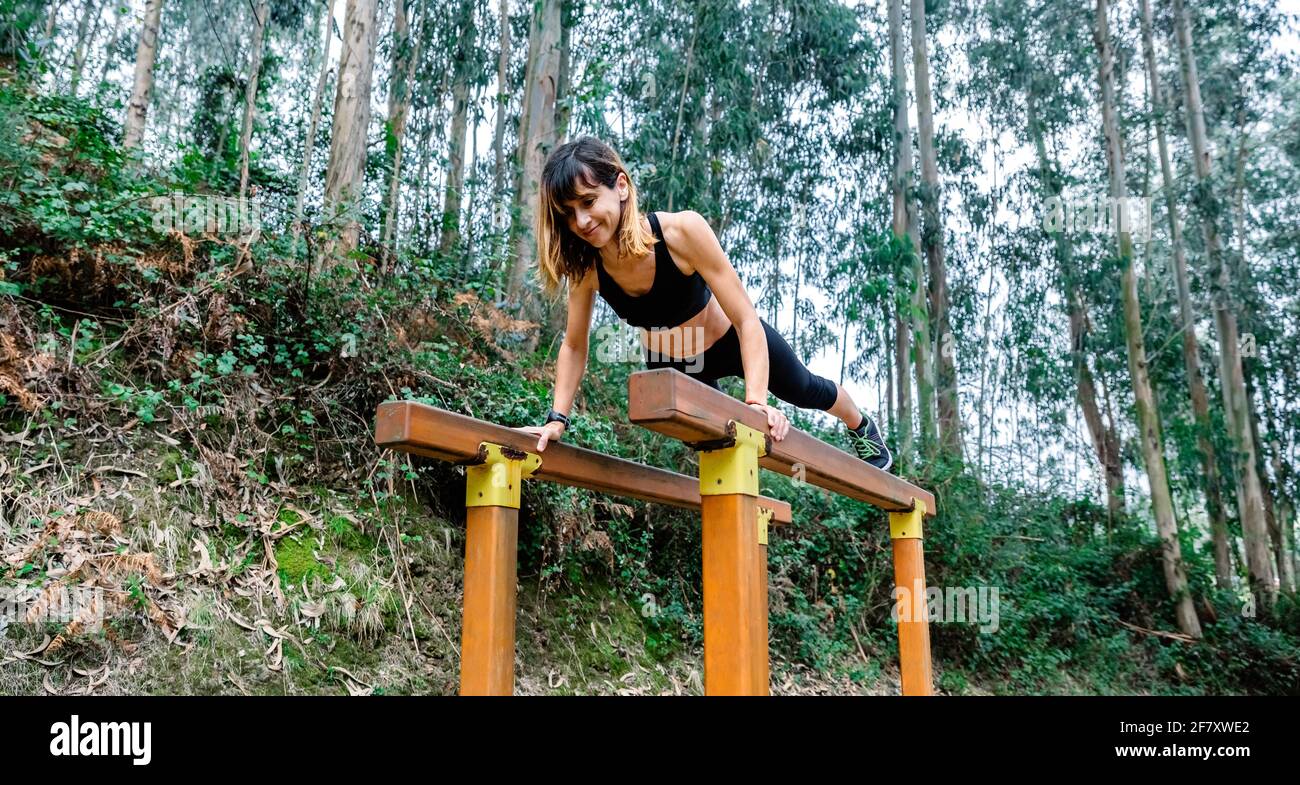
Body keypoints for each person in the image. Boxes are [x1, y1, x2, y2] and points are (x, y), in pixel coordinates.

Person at [518, 136, 891, 471]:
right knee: (711, 441)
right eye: (569, 213)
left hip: (730, 341)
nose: (581, 221)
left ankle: (860, 424)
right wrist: (557, 419)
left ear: (621, 186)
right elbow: (574, 345)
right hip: (674, 364)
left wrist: (756, 404)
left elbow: (746, 319)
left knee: (803, 388)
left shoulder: (681, 232)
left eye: (588, 202)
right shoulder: (587, 270)